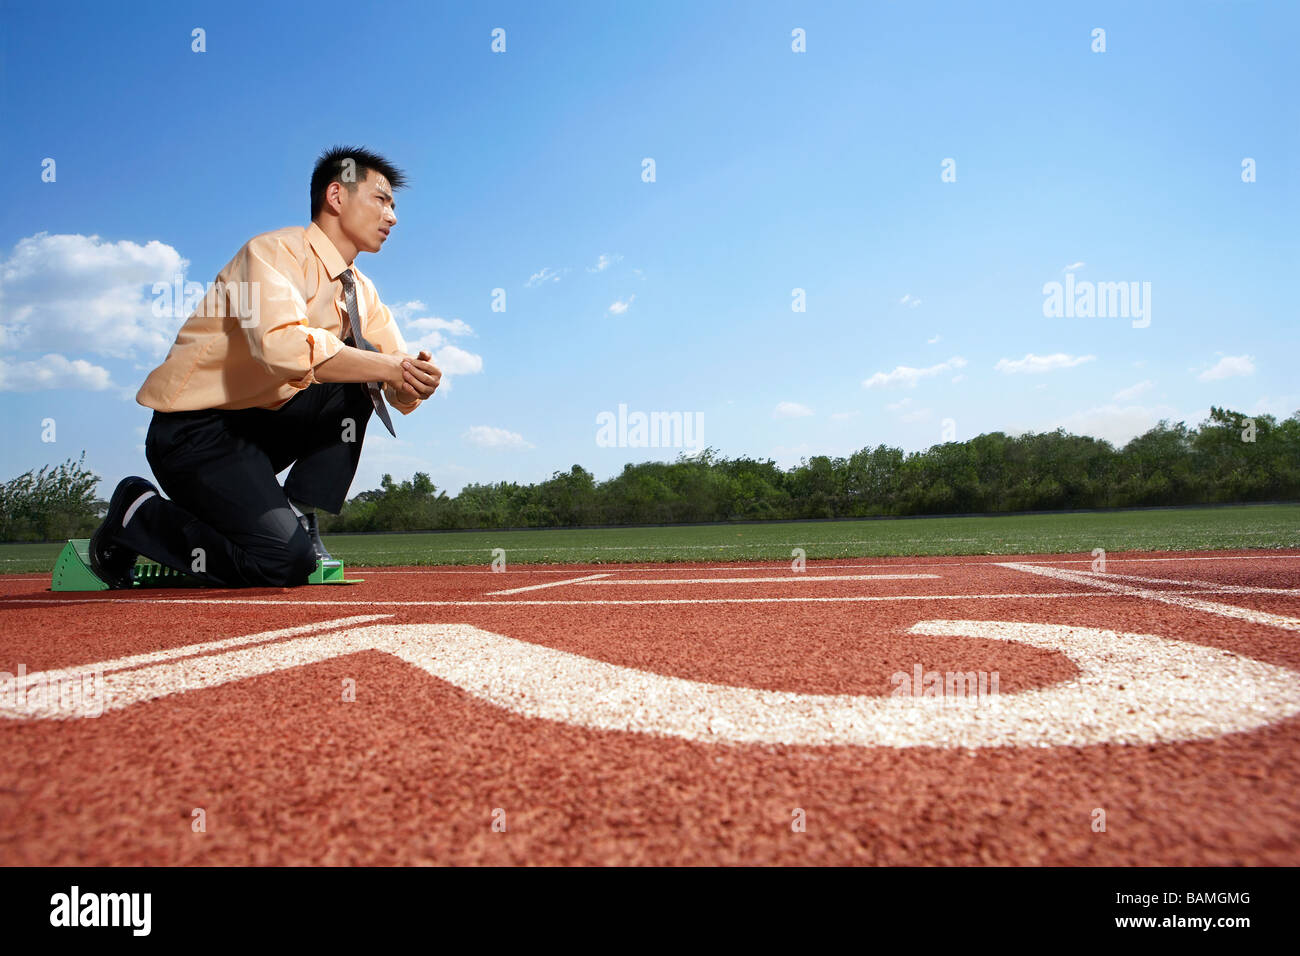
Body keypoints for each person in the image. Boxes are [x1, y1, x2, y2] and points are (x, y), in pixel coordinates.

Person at [88, 145, 442, 589]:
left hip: (255, 434)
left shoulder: (363, 292)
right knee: (284, 563)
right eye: (382, 200)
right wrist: (389, 366)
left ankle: (297, 514)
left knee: (362, 372)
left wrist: (412, 381)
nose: (392, 217)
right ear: (336, 195)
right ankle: (138, 513)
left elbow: (389, 378)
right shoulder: (272, 253)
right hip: (194, 434)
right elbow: (280, 347)